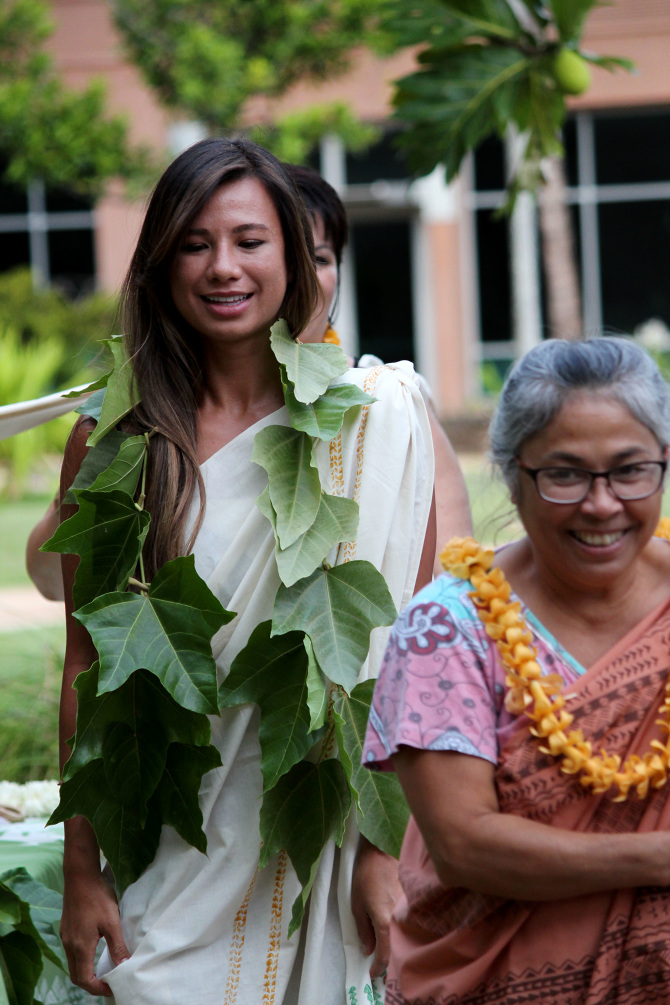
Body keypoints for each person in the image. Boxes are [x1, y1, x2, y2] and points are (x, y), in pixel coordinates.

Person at [58, 137, 436, 1005]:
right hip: (167, 838)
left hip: (322, 841)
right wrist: (82, 866)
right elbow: (87, 661)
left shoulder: (376, 421)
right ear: (160, 263)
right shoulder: (115, 438)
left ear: (295, 257)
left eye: (249, 241)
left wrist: (383, 851)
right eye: (194, 244)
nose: (222, 267)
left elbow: (409, 659)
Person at [362, 335, 670, 1004]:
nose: (602, 504)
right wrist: (656, 856)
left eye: (630, 470)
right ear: (511, 474)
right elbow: (464, 845)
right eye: (565, 474)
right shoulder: (448, 628)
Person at [285, 164, 472, 570]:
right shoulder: (180, 408)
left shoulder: (391, 397)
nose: (305, 277)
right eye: (287, 255)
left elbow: (452, 576)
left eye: (320, 258)